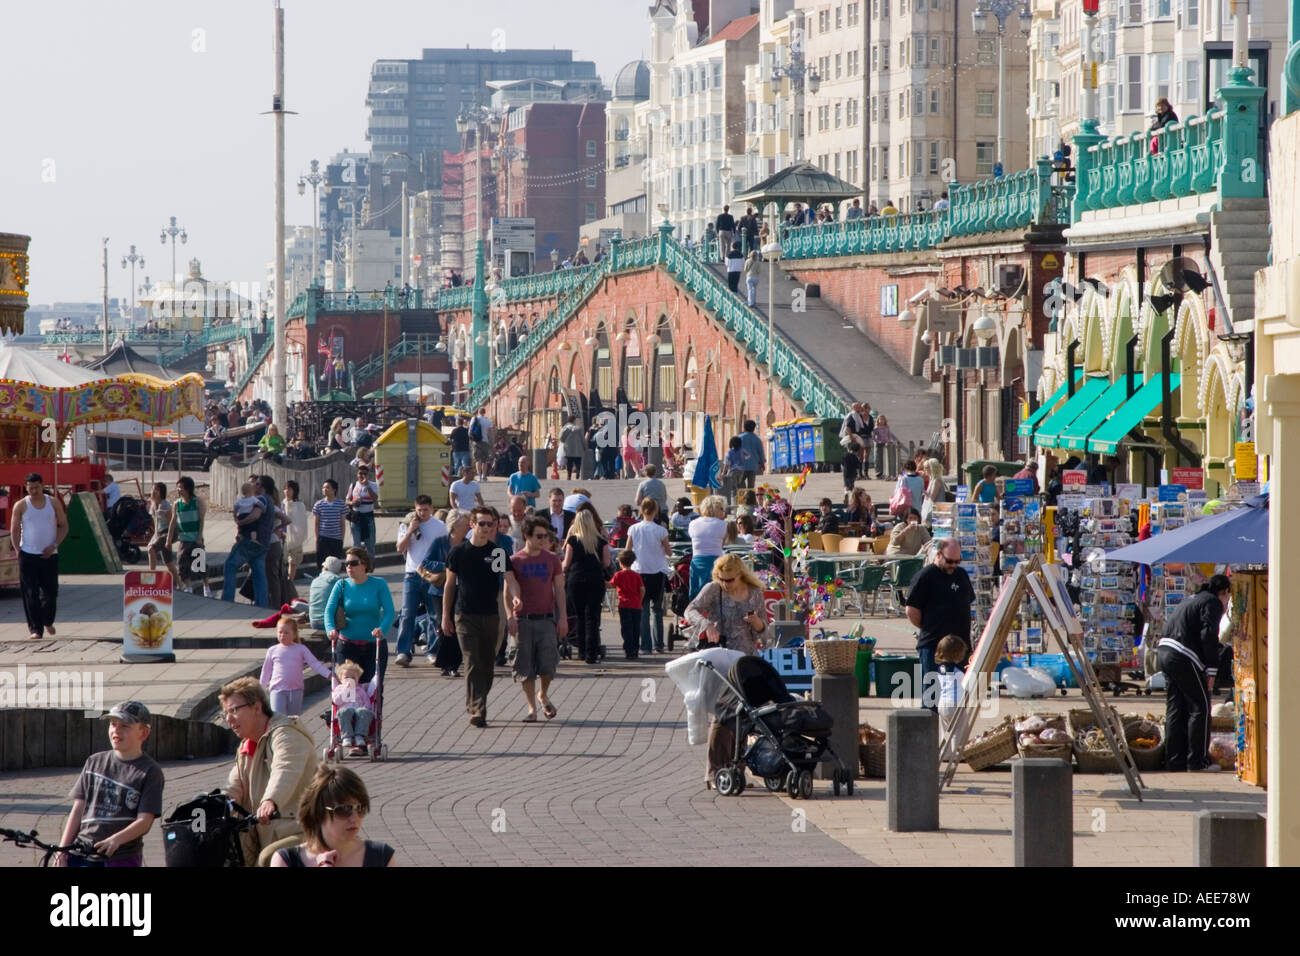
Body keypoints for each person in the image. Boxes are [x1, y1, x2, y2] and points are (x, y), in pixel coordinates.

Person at [684, 553, 770, 788]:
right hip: (721, 661)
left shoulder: (754, 593)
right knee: (723, 716)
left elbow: (765, 632)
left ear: (740, 574)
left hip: (746, 660)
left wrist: (757, 624)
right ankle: (714, 771)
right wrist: (706, 624)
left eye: (729, 580)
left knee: (745, 715)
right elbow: (690, 610)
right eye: (721, 578)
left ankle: (736, 771)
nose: (725, 583)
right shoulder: (714, 589)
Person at [220, 676, 317, 866]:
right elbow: (234, 786)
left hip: (303, 830)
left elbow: (286, 768)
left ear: (257, 707)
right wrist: (216, 803)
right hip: (269, 832)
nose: (229, 719)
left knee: (268, 858)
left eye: (234, 710)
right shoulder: (247, 747)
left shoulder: (286, 734)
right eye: (225, 714)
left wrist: (270, 800)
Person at [53, 701, 163, 868]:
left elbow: (145, 821)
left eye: (125, 726)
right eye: (113, 724)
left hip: (119, 857)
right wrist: (62, 851)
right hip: (81, 852)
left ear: (144, 733)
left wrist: (116, 839)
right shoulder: (94, 761)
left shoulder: (150, 771)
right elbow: (78, 810)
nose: (116, 731)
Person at [443, 505, 509, 726]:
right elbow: (449, 586)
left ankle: (479, 700)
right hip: (465, 614)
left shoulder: (496, 552)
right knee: (471, 660)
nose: (486, 528)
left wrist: (516, 598)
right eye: (482, 523)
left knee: (487, 663)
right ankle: (477, 709)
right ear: (472, 525)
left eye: (490, 524)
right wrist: (446, 616)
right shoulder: (458, 553)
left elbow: (508, 579)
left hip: (490, 614)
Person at [1158, 574, 1231, 772]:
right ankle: (1198, 762)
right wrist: (1212, 669)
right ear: (1223, 593)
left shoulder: (1192, 598)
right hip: (1183, 656)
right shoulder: (1212, 602)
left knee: (1176, 707)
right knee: (1201, 707)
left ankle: (1175, 760)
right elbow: (1208, 634)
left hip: (1164, 651)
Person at [504, 515, 567, 720]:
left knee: (548, 663)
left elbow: (559, 589)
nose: (543, 540)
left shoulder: (552, 559)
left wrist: (563, 617)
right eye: (539, 536)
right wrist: (510, 617)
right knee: (524, 665)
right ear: (526, 536)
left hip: (547, 619)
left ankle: (543, 694)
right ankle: (532, 708)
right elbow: (506, 592)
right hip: (523, 620)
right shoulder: (515, 560)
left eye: (545, 536)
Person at [272, 765, 395, 867]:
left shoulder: (382, 857)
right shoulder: (286, 860)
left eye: (361, 808)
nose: (355, 818)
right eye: (344, 810)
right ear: (318, 812)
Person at [905, 539, 974, 711]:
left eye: (957, 562)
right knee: (932, 698)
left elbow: (968, 602)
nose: (953, 565)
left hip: (960, 647)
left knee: (958, 697)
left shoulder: (961, 575)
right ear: (938, 555)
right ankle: (929, 735)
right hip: (933, 646)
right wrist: (929, 628)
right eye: (949, 561)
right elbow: (911, 611)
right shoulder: (925, 576)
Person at [325, 546, 395, 685]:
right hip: (347, 646)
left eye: (353, 563)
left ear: (364, 564)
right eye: (346, 564)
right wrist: (330, 629)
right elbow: (329, 611)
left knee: (373, 691)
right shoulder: (341, 585)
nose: (349, 567)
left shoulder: (379, 584)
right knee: (349, 690)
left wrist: (382, 629)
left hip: (374, 646)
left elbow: (390, 612)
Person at [11, 473, 68, 640]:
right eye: (30, 488)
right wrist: (17, 550)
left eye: (36, 487)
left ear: (42, 486)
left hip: (49, 555)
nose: (34, 490)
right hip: (28, 554)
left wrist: (55, 545)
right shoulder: (21, 505)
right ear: (26, 487)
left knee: (51, 592)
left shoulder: (53, 503)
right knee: (30, 592)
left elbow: (64, 526)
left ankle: (47, 620)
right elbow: (14, 529)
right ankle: (35, 629)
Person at [394, 494, 447, 667]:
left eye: (425, 510)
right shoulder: (406, 523)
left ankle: (432, 651)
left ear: (431, 509)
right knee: (407, 613)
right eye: (419, 510)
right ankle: (403, 651)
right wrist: (410, 530)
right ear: (415, 509)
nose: (422, 513)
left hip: (432, 575)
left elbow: (446, 547)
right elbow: (400, 548)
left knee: (433, 614)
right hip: (412, 574)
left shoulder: (439, 527)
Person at [422, 508, 470, 675]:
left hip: (461, 590)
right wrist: (446, 566)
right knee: (443, 625)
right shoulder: (440, 542)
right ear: (454, 526)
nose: (468, 528)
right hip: (439, 590)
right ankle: (445, 663)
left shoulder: (467, 544)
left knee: (457, 625)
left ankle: (453, 665)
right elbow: (426, 562)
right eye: (465, 524)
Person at [563, 509, 612, 665]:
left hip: (576, 580)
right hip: (595, 580)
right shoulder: (601, 541)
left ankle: (582, 652)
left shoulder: (572, 541)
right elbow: (607, 563)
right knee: (593, 617)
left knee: (579, 616)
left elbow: (566, 564)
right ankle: (592, 653)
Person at [260, 616, 332, 717]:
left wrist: (328, 674)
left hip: (296, 690)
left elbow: (314, 663)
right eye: (280, 632)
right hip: (277, 689)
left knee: (293, 720)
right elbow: (266, 671)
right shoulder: (272, 650)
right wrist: (260, 690)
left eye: (286, 632)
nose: (283, 635)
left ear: (294, 634)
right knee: (278, 718)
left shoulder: (300, 649)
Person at [628, 498, 672, 655]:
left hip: (639, 570)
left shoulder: (633, 528)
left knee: (643, 609)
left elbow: (628, 549)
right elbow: (669, 552)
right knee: (657, 609)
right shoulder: (661, 530)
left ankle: (645, 645)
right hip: (657, 571)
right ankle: (658, 643)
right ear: (655, 511)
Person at [222, 475, 271, 608]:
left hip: (250, 541)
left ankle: (227, 600)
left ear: (264, 487)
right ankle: (262, 604)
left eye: (258, 484)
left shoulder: (260, 499)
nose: (255, 485)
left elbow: (255, 515)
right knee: (259, 572)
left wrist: (240, 522)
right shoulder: (270, 500)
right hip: (264, 542)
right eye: (255, 484)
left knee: (230, 565)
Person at [168, 475, 209, 596]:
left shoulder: (197, 502)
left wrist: (199, 537)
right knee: (181, 563)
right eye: (178, 487)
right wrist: (169, 539)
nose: (178, 490)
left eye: (181, 487)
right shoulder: (176, 504)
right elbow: (173, 522)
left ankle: (206, 587)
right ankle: (189, 587)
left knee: (200, 564)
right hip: (183, 539)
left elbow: (201, 520)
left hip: (195, 538)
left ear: (188, 488)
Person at [331, 660, 381, 757]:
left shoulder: (360, 690)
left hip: (359, 711)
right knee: (344, 711)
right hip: (346, 711)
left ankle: (360, 735)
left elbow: (367, 702)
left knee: (364, 711)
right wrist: (346, 689)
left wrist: (366, 709)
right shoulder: (339, 689)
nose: (350, 680)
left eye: (353, 678)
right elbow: (336, 701)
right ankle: (347, 736)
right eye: (346, 677)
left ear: (358, 679)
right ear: (341, 679)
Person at [687, 495, 728, 601]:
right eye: (722, 509)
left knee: (696, 596)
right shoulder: (722, 524)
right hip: (715, 562)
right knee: (715, 596)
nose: (723, 512)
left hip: (697, 562)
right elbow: (721, 545)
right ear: (716, 508)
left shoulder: (692, 524)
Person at [608, 549, 644, 659]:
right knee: (636, 628)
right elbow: (642, 589)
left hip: (624, 604)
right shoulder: (636, 575)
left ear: (620, 562)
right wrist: (640, 600)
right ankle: (636, 648)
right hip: (636, 605)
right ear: (633, 561)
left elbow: (610, 585)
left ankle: (629, 649)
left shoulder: (618, 575)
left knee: (626, 628)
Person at [145, 482, 180, 582]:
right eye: (152, 489)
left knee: (151, 549)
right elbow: (155, 521)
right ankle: (180, 584)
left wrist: (168, 539)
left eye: (156, 490)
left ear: (161, 492)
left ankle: (151, 578)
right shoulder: (153, 504)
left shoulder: (165, 505)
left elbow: (172, 523)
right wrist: (155, 535)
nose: (153, 491)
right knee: (168, 562)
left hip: (168, 532)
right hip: (160, 533)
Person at [312, 479, 348, 569]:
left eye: (327, 487)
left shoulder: (341, 504)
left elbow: (342, 523)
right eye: (323, 487)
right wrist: (317, 539)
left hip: (336, 538)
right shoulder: (318, 504)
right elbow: (316, 523)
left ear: (334, 490)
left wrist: (341, 539)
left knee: (335, 565)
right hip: (323, 538)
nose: (325, 489)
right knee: (322, 564)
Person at [346, 464, 380, 556]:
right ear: (357, 474)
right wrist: (352, 503)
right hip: (356, 517)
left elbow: (374, 498)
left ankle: (370, 564)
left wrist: (367, 486)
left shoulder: (373, 485)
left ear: (368, 475)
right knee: (356, 544)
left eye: (364, 474)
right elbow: (347, 500)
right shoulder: (353, 485)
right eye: (360, 473)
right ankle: (357, 564)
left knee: (370, 544)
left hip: (368, 516)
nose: (362, 476)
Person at [934, 634, 968, 725]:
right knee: (959, 733)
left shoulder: (940, 668)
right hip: (955, 704)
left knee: (946, 734)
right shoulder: (957, 670)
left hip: (942, 703)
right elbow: (966, 681)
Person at [282, 480, 309, 581]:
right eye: (285, 489)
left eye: (289, 489)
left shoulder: (299, 505)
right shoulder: (282, 504)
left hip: (295, 537)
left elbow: (301, 522)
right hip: (283, 536)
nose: (286, 491)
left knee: (292, 562)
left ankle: (290, 581)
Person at [309, 556, 345, 631]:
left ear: (325, 568)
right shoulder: (339, 582)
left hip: (314, 622)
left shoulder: (315, 580)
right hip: (330, 623)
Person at [738, 420, 765, 488]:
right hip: (753, 466)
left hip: (741, 467)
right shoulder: (757, 439)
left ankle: (743, 496)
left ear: (744, 427)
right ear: (754, 428)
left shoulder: (739, 438)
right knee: (751, 487)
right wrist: (762, 464)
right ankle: (750, 497)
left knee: (740, 484)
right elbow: (760, 452)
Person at [721, 435, 747, 504]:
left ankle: (734, 504)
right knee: (740, 487)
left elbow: (726, 464)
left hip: (732, 471)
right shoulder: (742, 450)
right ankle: (741, 502)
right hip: (741, 471)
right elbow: (748, 456)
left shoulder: (729, 452)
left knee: (733, 489)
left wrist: (723, 473)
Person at [471, 407, 494, 482]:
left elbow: (470, 431)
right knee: (485, 460)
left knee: (478, 459)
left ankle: (479, 476)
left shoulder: (474, 419)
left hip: (476, 442)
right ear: (485, 412)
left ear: (478, 412)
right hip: (485, 442)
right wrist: (491, 442)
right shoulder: (488, 421)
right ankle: (484, 476)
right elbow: (490, 432)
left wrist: (471, 440)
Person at [921, 458, 947, 524]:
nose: (924, 469)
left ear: (932, 468)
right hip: (934, 509)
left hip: (937, 510)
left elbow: (932, 497)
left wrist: (923, 491)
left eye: (926, 467)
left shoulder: (936, 481)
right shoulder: (933, 479)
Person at [870, 414, 895, 480]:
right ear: (878, 420)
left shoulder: (887, 427)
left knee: (886, 458)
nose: (882, 421)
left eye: (883, 419)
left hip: (886, 444)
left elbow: (889, 435)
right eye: (880, 419)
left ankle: (885, 472)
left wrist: (889, 441)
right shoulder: (876, 428)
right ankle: (878, 473)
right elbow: (873, 437)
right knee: (879, 458)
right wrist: (878, 441)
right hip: (879, 444)